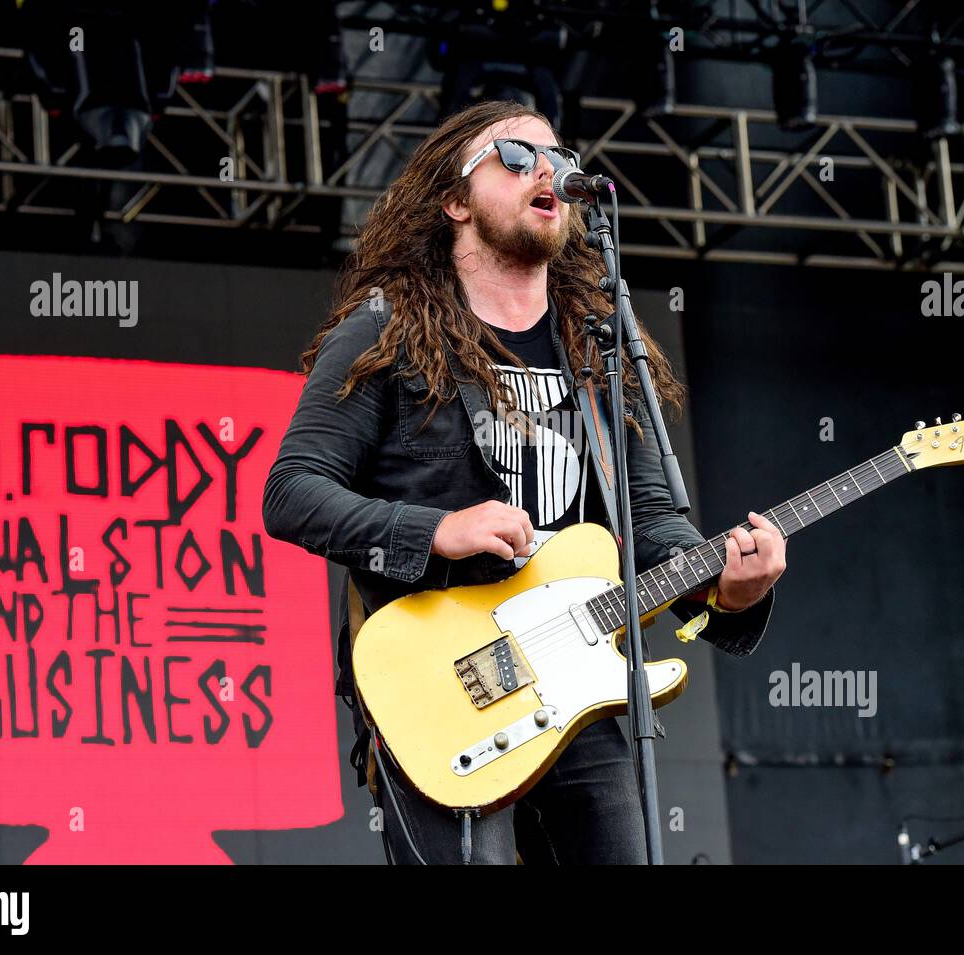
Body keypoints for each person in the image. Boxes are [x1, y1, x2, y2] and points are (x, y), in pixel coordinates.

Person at [262, 99, 787, 864]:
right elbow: (293, 492)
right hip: (448, 688)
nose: (549, 169)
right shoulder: (384, 334)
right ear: (455, 200)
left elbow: (648, 522)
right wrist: (437, 531)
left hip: (580, 690)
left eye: (559, 156)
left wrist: (727, 590)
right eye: (513, 155)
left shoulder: (603, 347)